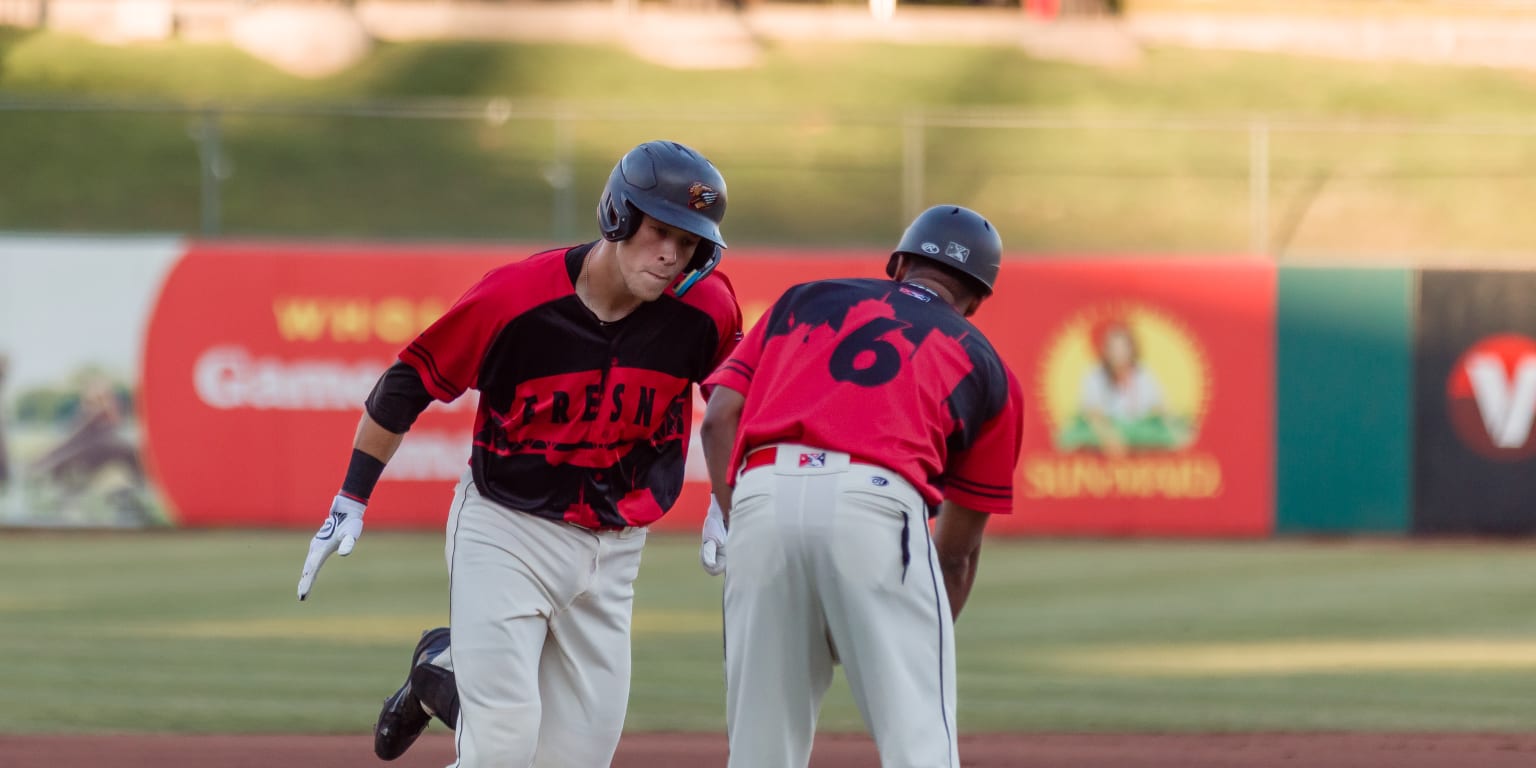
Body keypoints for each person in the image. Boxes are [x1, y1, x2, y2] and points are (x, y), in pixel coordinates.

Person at [293, 140, 742, 768]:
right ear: (617, 216)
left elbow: (737, 400)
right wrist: (351, 496)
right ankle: (455, 673)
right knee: (502, 746)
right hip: (506, 529)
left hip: (615, 551)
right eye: (659, 230)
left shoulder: (706, 310)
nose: (670, 254)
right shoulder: (517, 298)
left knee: (576, 758)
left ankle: (442, 672)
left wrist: (731, 498)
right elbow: (406, 383)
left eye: (688, 242)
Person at [697, 205, 1024, 768]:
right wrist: (902, 634)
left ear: (897, 264)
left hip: (762, 490)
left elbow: (717, 420)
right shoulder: (985, 363)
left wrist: (737, 517)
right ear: (977, 301)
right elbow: (956, 554)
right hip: (877, 501)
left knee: (760, 746)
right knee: (918, 742)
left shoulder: (805, 299)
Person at [1057, 314, 1188, 457]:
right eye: (1114, 348)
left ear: (1132, 349)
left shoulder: (1143, 374)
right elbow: (1092, 413)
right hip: (1105, 428)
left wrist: (1174, 426)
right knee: (1072, 435)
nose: (1119, 353)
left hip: (1137, 429)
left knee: (1170, 434)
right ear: (1106, 351)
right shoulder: (1095, 375)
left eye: (1123, 347)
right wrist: (1109, 437)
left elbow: (1160, 406)